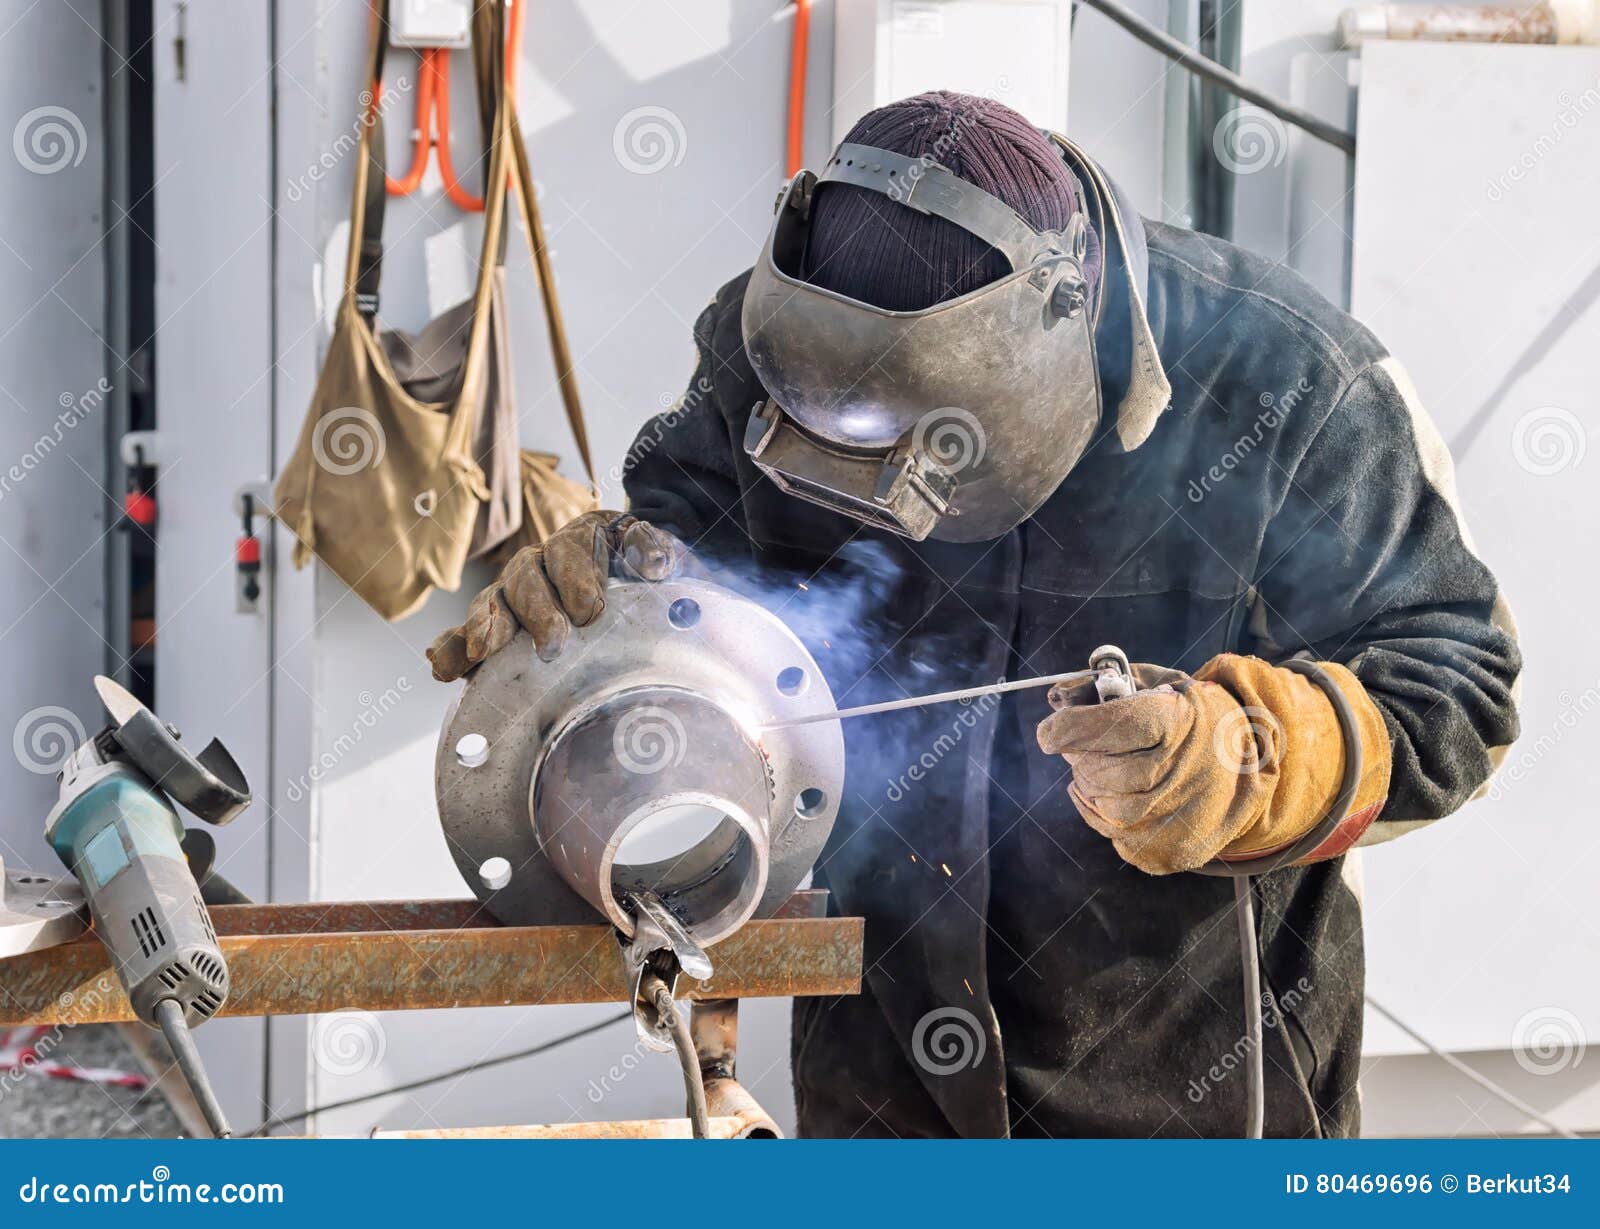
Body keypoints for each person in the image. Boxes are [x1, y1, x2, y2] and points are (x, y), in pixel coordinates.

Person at [427, 92, 1520, 1138]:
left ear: (1058, 331)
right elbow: (689, 572)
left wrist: (1259, 756)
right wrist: (614, 594)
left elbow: (1456, 683)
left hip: (1189, 1091)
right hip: (884, 1071)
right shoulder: (784, 347)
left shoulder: (1290, 381)